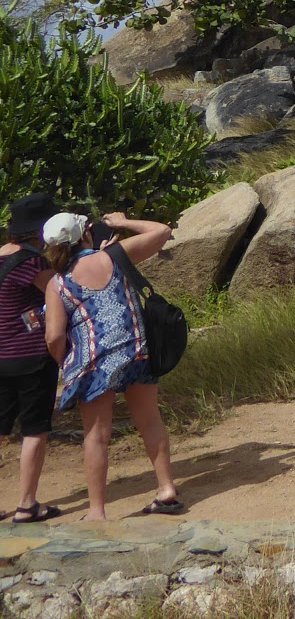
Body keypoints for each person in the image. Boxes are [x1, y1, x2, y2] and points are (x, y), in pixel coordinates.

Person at [42, 210, 181, 521]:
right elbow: (161, 230)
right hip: (137, 349)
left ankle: (96, 511)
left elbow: (53, 336)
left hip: (95, 364)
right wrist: (122, 222)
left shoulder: (58, 284)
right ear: (86, 235)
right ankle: (167, 489)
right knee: (149, 420)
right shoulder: (116, 256)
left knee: (96, 436)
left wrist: (65, 361)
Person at [0, 194, 63, 524]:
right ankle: (26, 505)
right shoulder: (33, 263)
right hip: (31, 356)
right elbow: (58, 295)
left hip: (0, 355)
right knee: (34, 430)